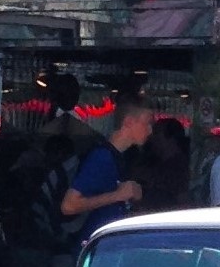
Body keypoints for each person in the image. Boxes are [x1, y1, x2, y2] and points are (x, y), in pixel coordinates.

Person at [60, 101, 155, 243]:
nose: (150, 130)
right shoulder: (102, 157)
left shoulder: (118, 157)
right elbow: (69, 205)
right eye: (147, 123)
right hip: (93, 246)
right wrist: (117, 195)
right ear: (128, 122)